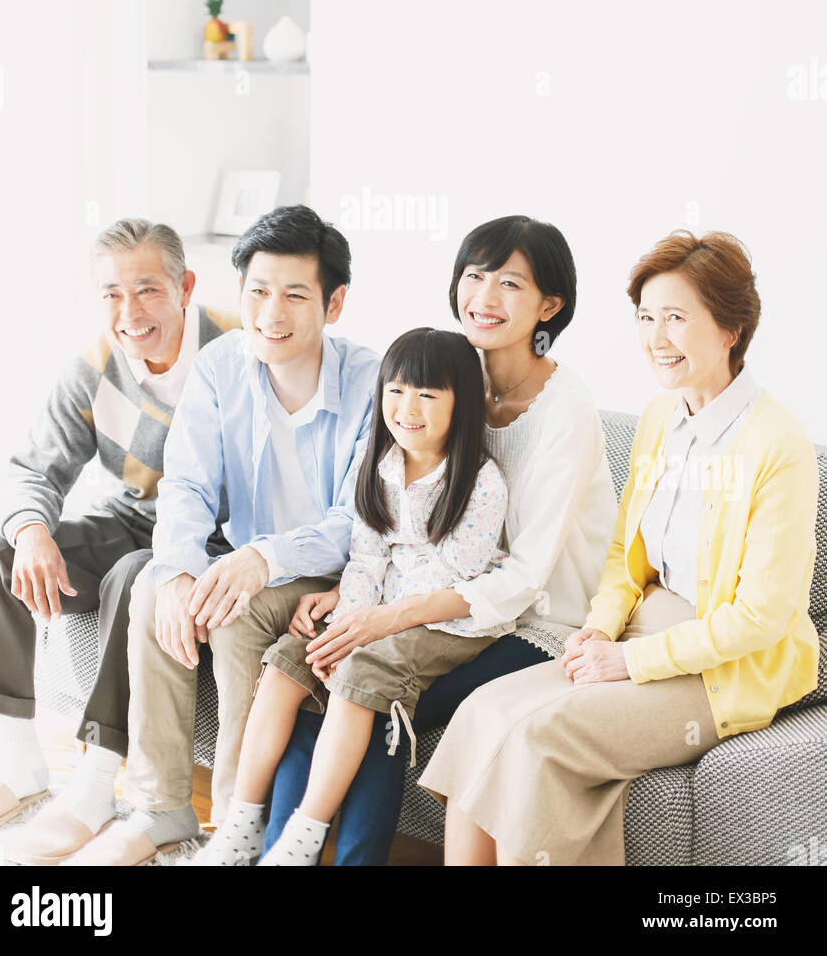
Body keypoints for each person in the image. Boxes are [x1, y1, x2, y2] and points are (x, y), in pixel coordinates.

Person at [419, 230, 820, 866]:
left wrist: (631, 663)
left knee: (538, 739)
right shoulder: (662, 417)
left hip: (727, 665)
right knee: (481, 713)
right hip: (642, 630)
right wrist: (601, 631)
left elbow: (759, 619)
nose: (657, 338)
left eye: (677, 318)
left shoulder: (778, 445)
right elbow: (624, 557)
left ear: (731, 328)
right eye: (646, 317)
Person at [264, 214, 617, 864]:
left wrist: (384, 618)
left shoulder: (566, 410)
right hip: (445, 610)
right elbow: (397, 522)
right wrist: (350, 597)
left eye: (510, 283)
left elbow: (525, 579)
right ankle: (272, 854)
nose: (483, 298)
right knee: (322, 673)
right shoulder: (451, 384)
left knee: (370, 687)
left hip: (537, 626)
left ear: (550, 304)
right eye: (474, 276)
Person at [65, 204, 378, 866]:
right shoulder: (220, 365)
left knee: (235, 615)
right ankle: (159, 807)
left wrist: (265, 558)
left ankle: (240, 823)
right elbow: (187, 487)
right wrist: (179, 571)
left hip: (335, 571)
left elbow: (359, 523)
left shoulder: (370, 383)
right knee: (156, 588)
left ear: (335, 302)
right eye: (258, 291)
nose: (272, 312)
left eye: (296, 294)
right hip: (245, 559)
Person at [0, 219, 239, 861]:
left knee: (135, 577)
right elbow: (32, 468)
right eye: (111, 293)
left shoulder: (238, 348)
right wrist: (30, 529)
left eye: (146, 290)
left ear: (185, 286)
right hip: (129, 517)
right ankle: (19, 768)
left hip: (211, 540)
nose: (129, 311)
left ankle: (92, 787)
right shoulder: (93, 367)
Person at [189, 327, 513, 866]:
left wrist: (366, 629)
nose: (407, 408)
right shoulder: (380, 467)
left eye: (428, 395)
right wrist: (349, 617)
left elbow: (451, 584)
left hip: (446, 623)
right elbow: (365, 558)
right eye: (396, 391)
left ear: (464, 404)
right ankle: (241, 825)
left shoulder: (481, 483)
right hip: (378, 612)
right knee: (287, 662)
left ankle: (305, 835)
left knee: (358, 672)